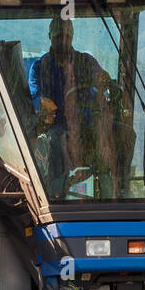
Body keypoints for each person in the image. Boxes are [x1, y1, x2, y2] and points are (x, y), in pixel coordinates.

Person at [26, 16, 118, 198]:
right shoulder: (39, 67)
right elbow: (35, 96)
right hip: (58, 125)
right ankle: (56, 194)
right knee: (55, 142)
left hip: (89, 124)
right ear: (50, 36)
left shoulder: (86, 61)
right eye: (59, 35)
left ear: (73, 36)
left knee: (124, 134)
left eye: (67, 35)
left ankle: (118, 190)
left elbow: (101, 77)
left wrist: (104, 80)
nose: (64, 40)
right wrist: (43, 104)